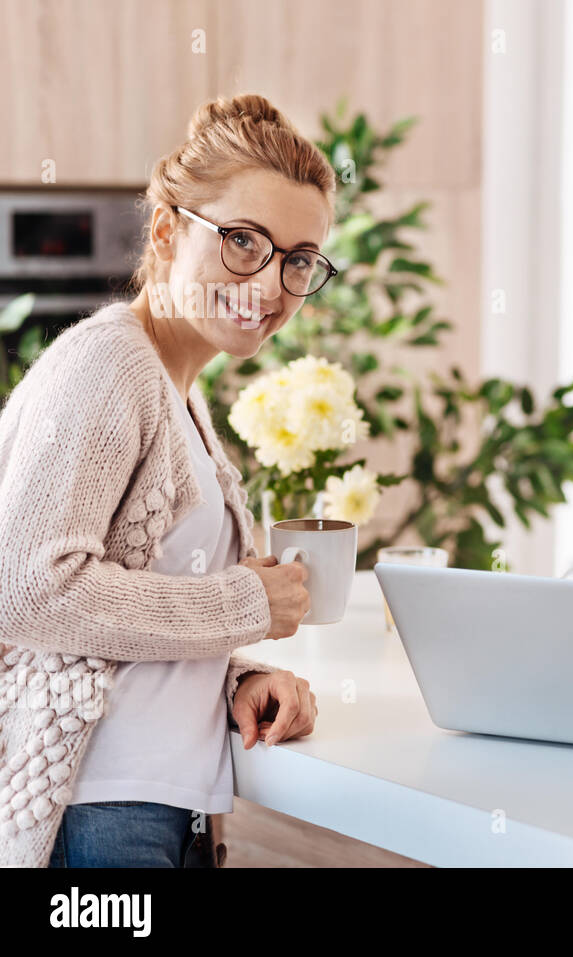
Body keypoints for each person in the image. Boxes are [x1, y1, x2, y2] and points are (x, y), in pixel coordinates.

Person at [0, 94, 335, 867]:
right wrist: (247, 603)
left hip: (158, 808)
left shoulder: (180, 394)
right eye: (242, 240)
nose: (269, 283)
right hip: (97, 814)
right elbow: (26, 587)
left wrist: (238, 677)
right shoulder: (107, 364)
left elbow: (127, 622)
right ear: (164, 231)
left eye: (297, 258)